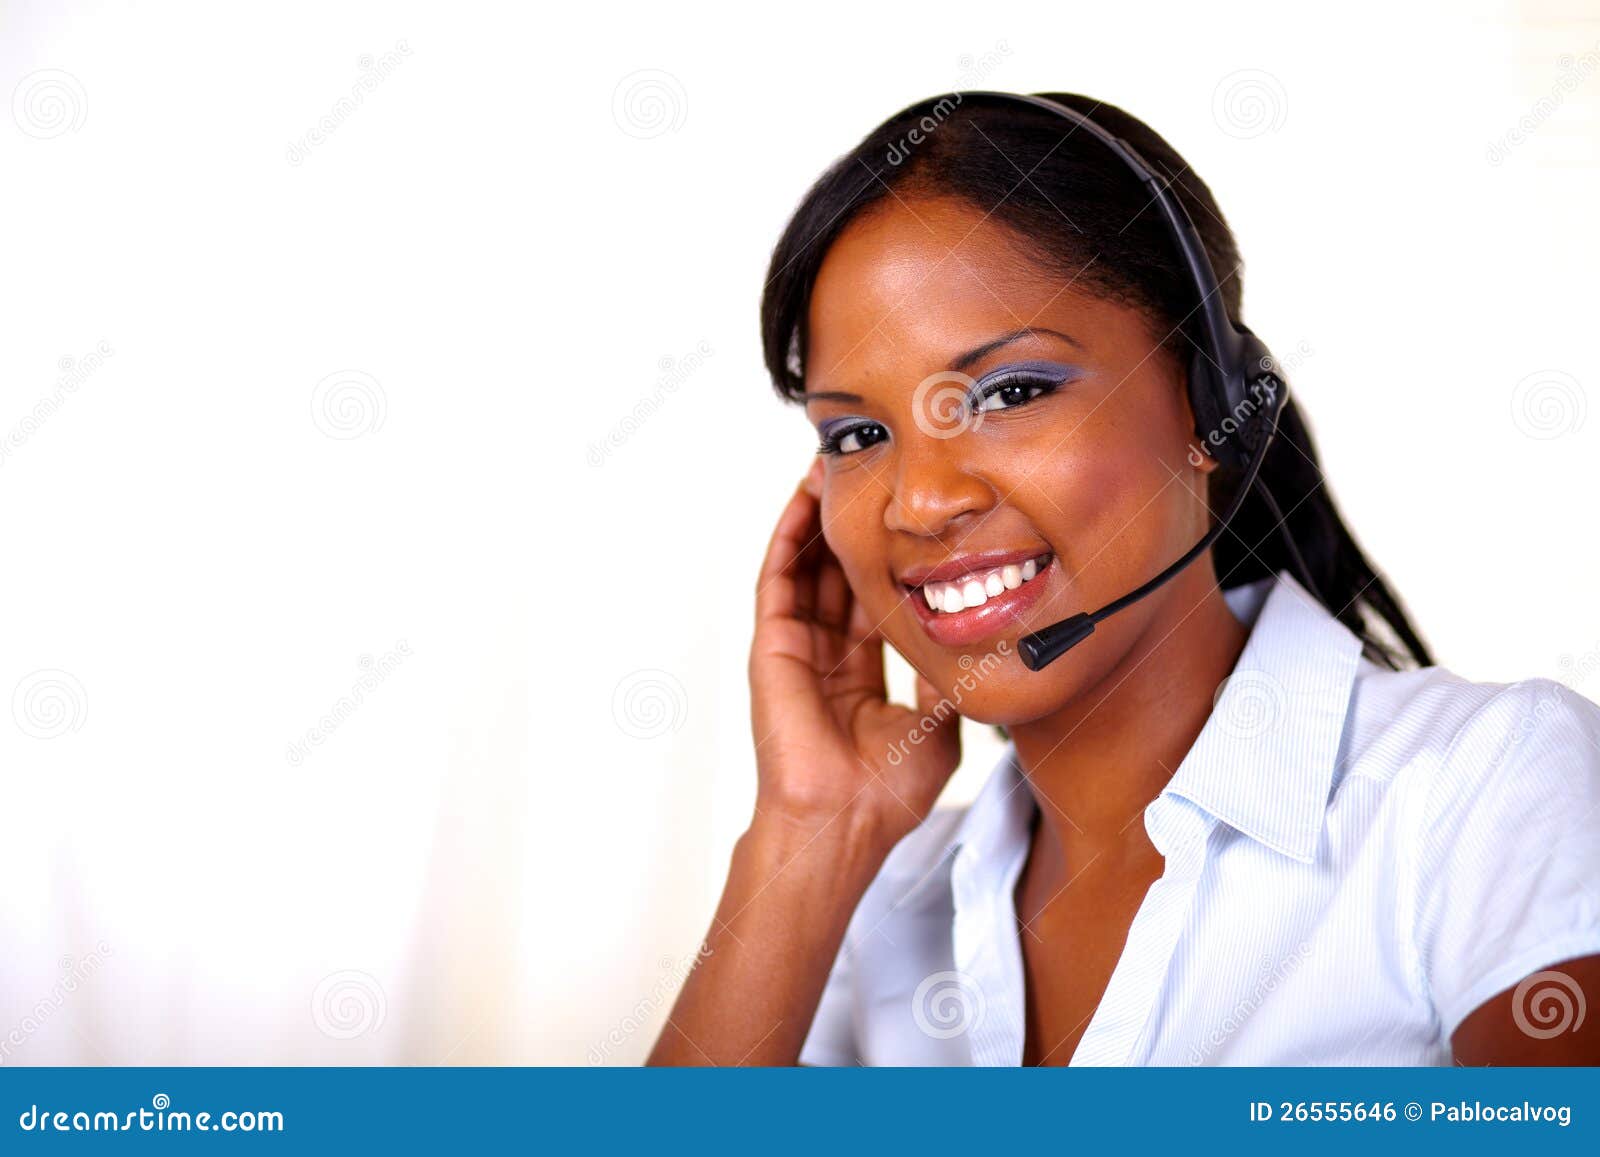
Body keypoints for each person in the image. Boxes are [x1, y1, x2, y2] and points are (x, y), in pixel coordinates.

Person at [647, 91, 1600, 1066]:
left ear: (1206, 405)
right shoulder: (876, 911)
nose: (920, 501)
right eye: (856, 434)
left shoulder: (1483, 783)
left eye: (1009, 391)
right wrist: (806, 835)